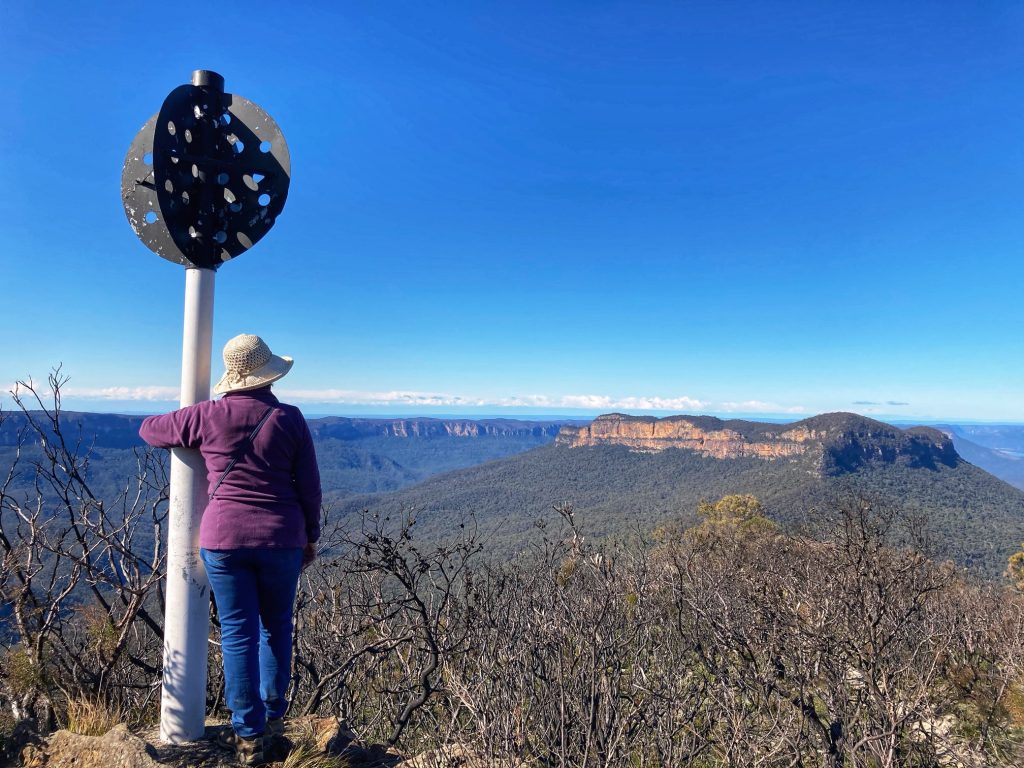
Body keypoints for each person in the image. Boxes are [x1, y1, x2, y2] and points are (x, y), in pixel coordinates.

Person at [140, 333, 321, 766]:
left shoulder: (207, 416)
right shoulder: (290, 419)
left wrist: (190, 418)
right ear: (269, 374)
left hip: (223, 542)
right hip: (282, 539)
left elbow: (150, 429)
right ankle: (275, 717)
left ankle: (248, 735)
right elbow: (310, 488)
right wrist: (310, 537)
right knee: (275, 626)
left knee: (238, 634)